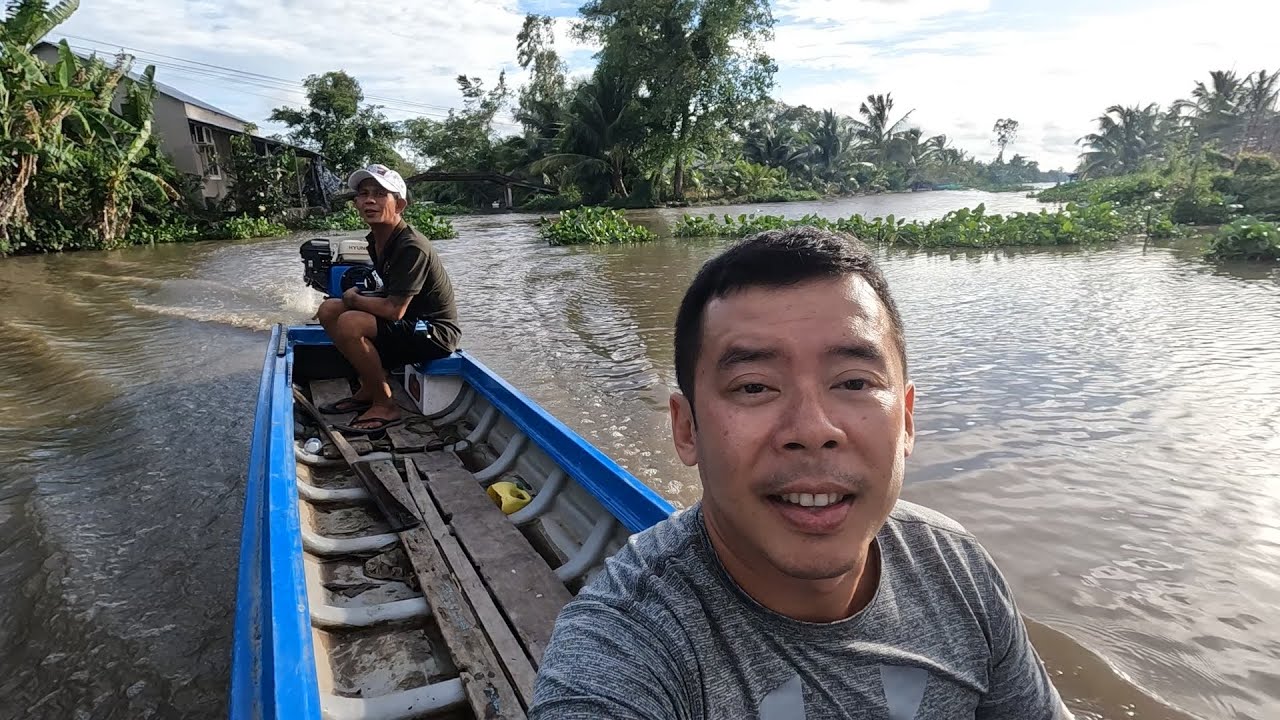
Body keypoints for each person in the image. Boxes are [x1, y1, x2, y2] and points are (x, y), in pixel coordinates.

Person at [530, 228, 1074, 719]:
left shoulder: (956, 568)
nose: (812, 429)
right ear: (687, 428)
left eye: (854, 382)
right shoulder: (629, 643)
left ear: (906, 420)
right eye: (754, 387)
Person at [315, 164, 461, 433]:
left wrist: (353, 299)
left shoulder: (410, 246)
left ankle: (385, 403)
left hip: (434, 332)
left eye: (381, 194)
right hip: (411, 321)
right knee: (328, 310)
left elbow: (394, 310)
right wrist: (350, 301)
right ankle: (369, 388)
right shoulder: (377, 239)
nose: (369, 200)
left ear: (400, 204)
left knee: (350, 322)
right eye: (363, 193)